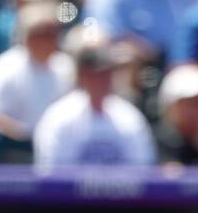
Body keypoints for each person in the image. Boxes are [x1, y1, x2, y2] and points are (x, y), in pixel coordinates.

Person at [32, 28, 156, 168]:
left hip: (121, 190)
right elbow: (51, 172)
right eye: (92, 74)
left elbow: (142, 171)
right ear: (81, 75)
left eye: (105, 73)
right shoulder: (58, 117)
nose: (100, 80)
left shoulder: (129, 117)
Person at [0, 0, 74, 156]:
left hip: (57, 145)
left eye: (54, 33)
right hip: (15, 150)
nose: (53, 39)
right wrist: (30, 137)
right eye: (45, 34)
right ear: (29, 37)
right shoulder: (5, 66)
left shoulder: (65, 65)